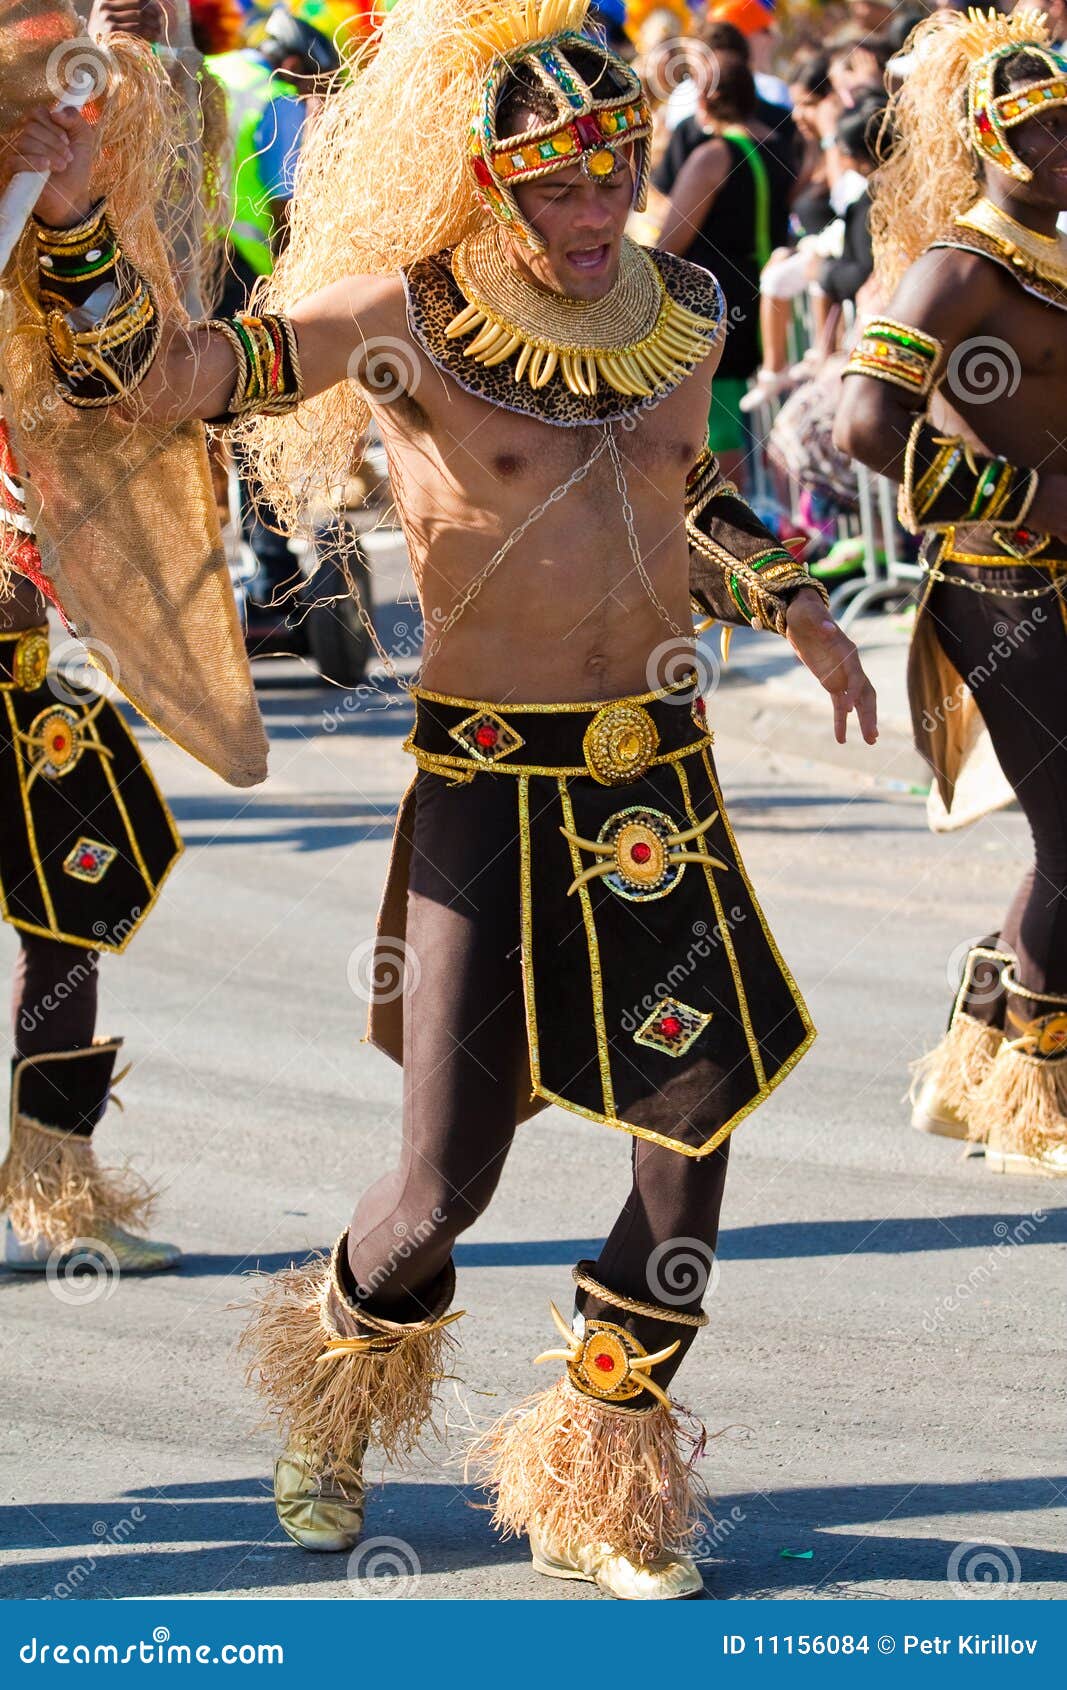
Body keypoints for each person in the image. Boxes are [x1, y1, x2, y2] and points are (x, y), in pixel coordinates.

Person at [21, 0, 876, 1598]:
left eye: (609, 173)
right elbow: (174, 374)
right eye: (552, 185)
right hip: (486, 792)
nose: (585, 212)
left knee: (691, 1131)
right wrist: (72, 218)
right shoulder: (399, 316)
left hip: (651, 796)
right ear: (489, 184)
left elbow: (690, 482)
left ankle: (604, 1476)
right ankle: (339, 1398)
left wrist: (795, 601)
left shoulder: (682, 303)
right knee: (440, 1185)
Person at [835, 6, 1067, 1178]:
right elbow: (860, 421)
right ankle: (1031, 1103)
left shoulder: (1056, 251)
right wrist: (1022, 498)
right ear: (986, 134)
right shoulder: (957, 269)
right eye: (1042, 127)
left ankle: (965, 1061)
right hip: (1000, 590)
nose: (1065, 143)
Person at [206, 3, 344, 606]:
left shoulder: (210, 68)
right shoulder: (277, 97)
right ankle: (272, 567)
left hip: (172, 268)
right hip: (241, 275)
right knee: (255, 415)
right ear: (294, 63)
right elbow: (290, 199)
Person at [657, 50, 794, 481]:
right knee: (742, 415)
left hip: (717, 300)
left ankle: (733, 528)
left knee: (719, 423)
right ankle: (764, 513)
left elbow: (671, 238)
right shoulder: (776, 148)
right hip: (761, 291)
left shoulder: (713, 155)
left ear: (706, 100)